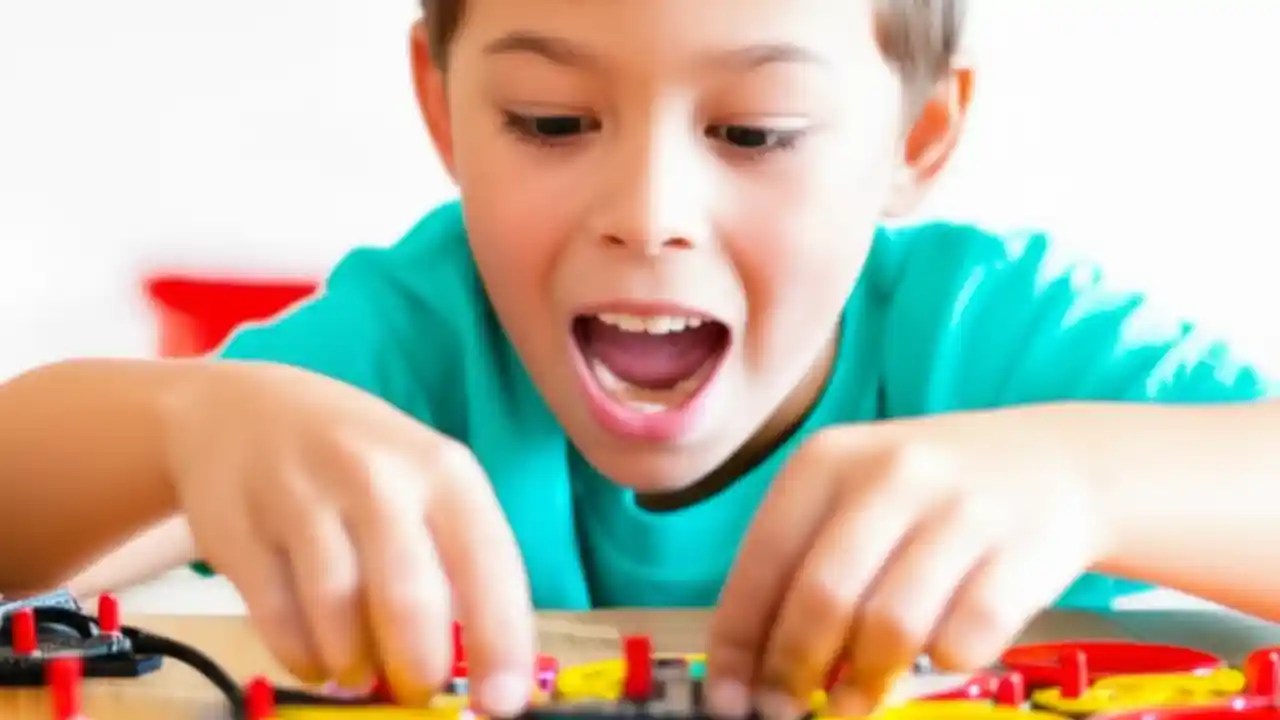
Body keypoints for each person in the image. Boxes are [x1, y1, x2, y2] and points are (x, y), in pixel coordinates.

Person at [4, 1, 1280, 718]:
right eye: (551, 121)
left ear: (915, 135)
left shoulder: (992, 337)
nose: (648, 212)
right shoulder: (406, 347)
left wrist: (1085, 479)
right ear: (443, 108)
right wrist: (175, 426)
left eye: (755, 132)